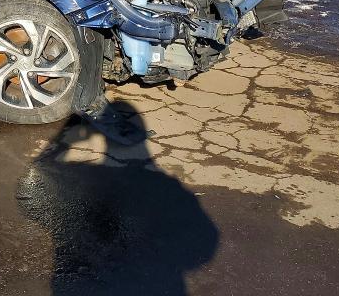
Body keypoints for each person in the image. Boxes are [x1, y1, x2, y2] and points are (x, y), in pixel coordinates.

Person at [19, 100, 218, 295]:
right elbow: (206, 244)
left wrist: (62, 145)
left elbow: (25, 202)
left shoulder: (162, 186)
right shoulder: (168, 186)